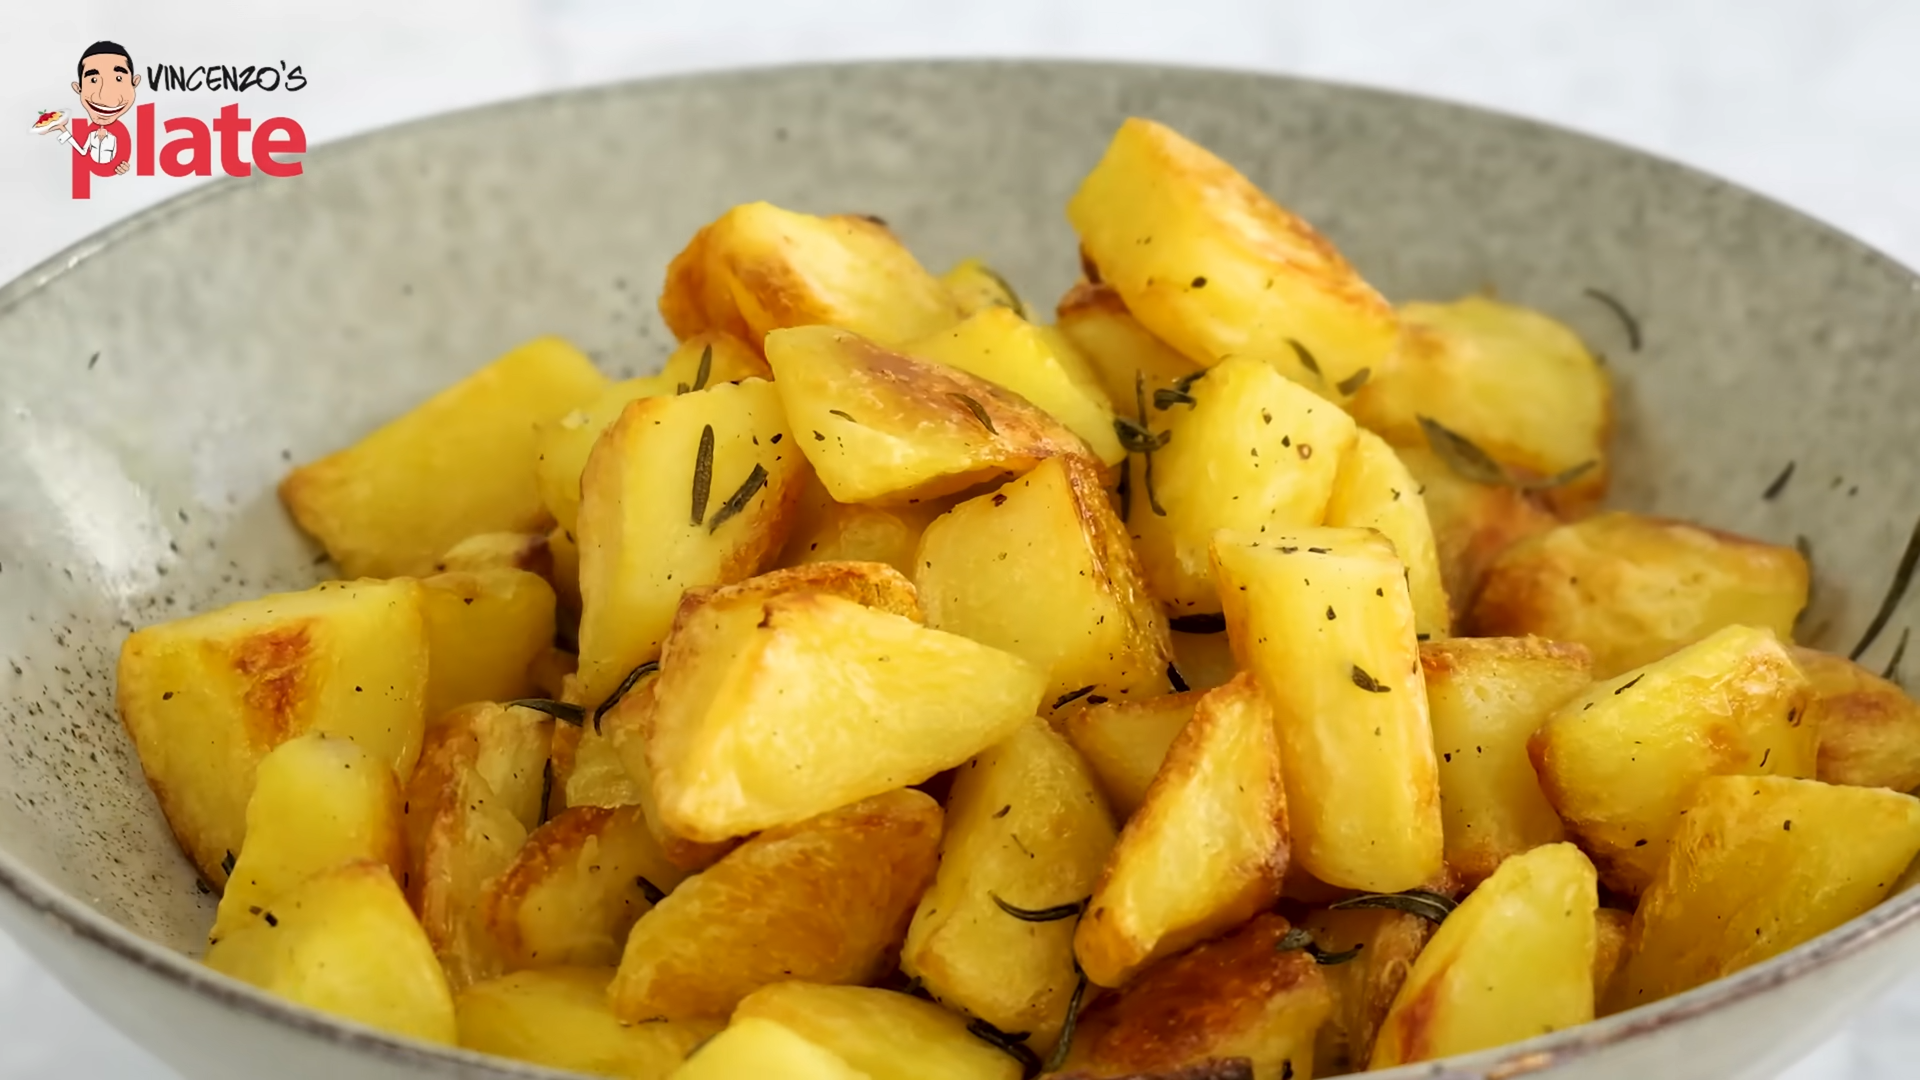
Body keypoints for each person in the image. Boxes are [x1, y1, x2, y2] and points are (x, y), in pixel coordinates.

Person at [48, 41, 139, 176]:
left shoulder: (115, 139)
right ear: (78, 88)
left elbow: (121, 158)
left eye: (118, 78)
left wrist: (123, 168)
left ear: (134, 82)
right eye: (93, 80)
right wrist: (63, 130)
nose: (104, 96)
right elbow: (82, 151)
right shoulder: (91, 136)